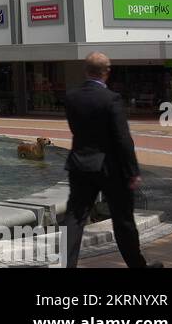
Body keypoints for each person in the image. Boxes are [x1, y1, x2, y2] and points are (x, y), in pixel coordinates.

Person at [61, 52, 161, 269]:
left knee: (74, 218)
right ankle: (137, 266)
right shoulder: (111, 99)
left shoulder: (71, 96)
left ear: (86, 71)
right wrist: (133, 171)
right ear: (106, 72)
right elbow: (123, 139)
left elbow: (75, 129)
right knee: (123, 220)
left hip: (80, 165)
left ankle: (66, 266)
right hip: (111, 168)